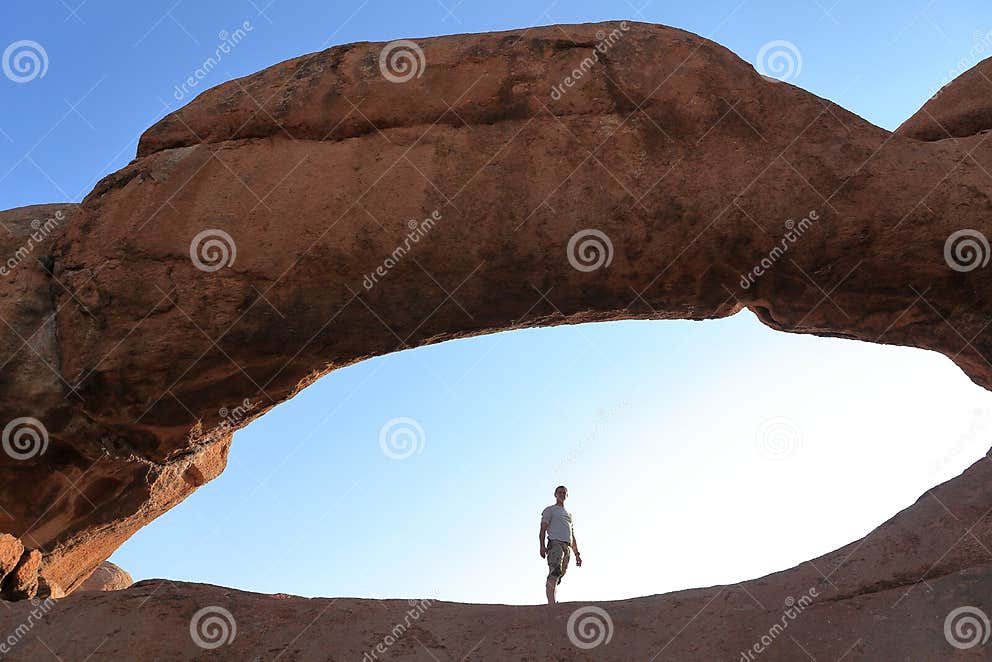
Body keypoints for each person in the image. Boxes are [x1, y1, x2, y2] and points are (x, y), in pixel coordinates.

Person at [539, 485, 581, 604]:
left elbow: (572, 535)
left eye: (564, 493)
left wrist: (577, 554)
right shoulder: (550, 510)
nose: (562, 494)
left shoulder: (569, 515)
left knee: (561, 574)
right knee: (554, 571)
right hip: (555, 543)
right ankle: (551, 603)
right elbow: (543, 529)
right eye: (560, 492)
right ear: (555, 494)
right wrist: (542, 545)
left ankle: (553, 599)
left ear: (567, 495)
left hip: (566, 546)